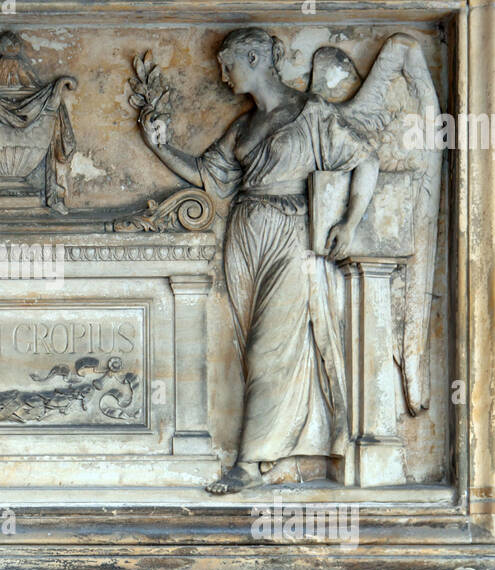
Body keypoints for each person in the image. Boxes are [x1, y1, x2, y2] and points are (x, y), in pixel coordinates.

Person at [139, 28, 380, 493]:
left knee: (267, 350)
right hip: (246, 237)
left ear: (254, 57)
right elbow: (211, 177)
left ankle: (248, 464)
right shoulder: (245, 126)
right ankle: (273, 454)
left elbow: (365, 159)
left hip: (291, 235)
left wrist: (349, 223)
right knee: (252, 351)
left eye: (227, 63)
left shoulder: (311, 114)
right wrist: (159, 145)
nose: (221, 73)